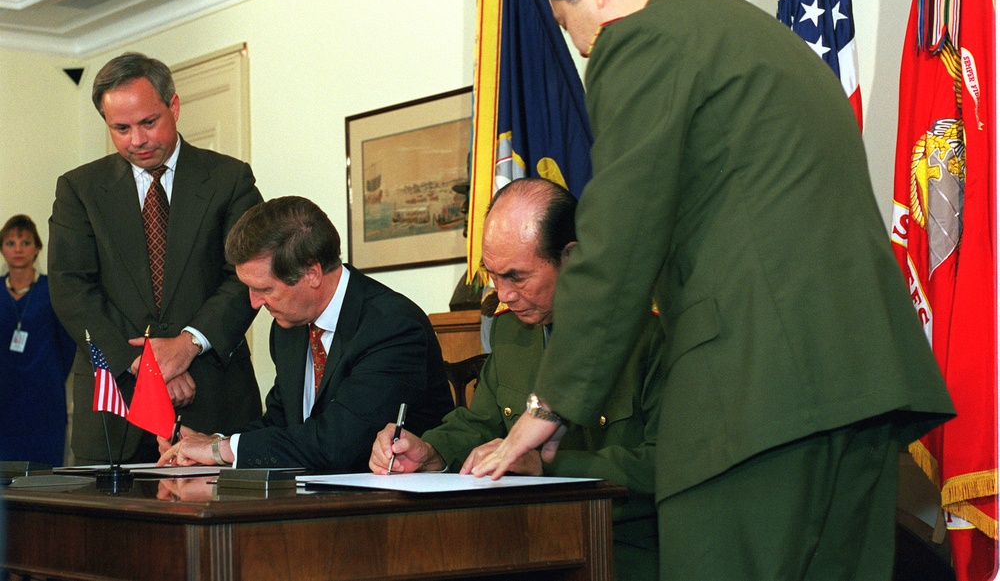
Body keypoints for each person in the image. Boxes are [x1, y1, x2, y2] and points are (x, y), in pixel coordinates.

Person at [470, 0, 956, 579]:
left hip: (755, 401)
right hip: (861, 390)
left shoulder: (641, 41)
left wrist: (550, 404)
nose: (581, 47)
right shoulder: (760, 38)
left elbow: (617, 237)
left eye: (567, 23)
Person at [370, 178, 663, 579]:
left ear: (572, 258)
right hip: (523, 542)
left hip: (623, 549)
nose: (502, 295)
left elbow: (666, 464)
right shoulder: (514, 334)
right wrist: (429, 452)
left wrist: (549, 470)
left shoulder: (649, 335)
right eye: (492, 276)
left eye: (516, 277)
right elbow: (480, 425)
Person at [48, 52, 264, 465]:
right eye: (121, 128)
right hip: (116, 400)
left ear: (174, 106)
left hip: (212, 394)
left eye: (148, 122)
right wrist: (149, 365)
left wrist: (188, 344)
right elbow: (71, 287)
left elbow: (246, 276)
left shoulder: (229, 179)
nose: (137, 140)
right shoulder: (79, 189)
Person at [157, 196, 454, 469]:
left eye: (264, 289)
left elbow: (341, 443)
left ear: (311, 273)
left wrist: (221, 449)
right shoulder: (289, 327)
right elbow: (280, 423)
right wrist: (209, 443)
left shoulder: (391, 326)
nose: (253, 302)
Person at [0, 215, 76, 466]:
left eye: (25, 242)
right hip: (4, 400)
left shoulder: (53, 290)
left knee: (43, 477)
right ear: (2, 249)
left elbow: (68, 344)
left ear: (38, 248)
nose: (18, 249)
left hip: (44, 400)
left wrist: (49, 375)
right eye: (10, 243)